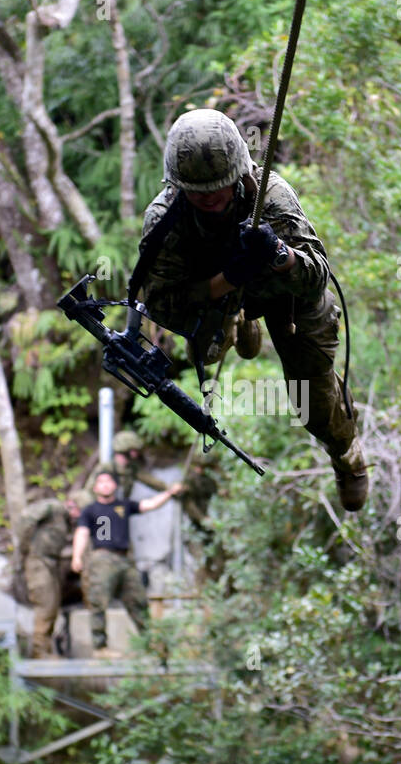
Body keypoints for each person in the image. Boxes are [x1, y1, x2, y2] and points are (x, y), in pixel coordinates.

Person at [136, 108, 369, 511]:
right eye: (197, 191)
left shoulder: (270, 194)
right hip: (220, 294)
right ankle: (238, 319)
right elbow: (162, 304)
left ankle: (348, 457)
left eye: (218, 188)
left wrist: (280, 255)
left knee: (313, 408)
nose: (208, 198)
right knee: (202, 352)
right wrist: (228, 278)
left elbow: (317, 276)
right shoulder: (164, 220)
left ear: (239, 176)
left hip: (288, 295)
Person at [71, 470, 182, 658]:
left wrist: (169, 493)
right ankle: (100, 648)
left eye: (109, 481)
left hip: (125, 559)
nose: (105, 485)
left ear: (115, 485)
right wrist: (77, 556)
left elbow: (150, 504)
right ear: (95, 487)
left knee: (138, 600)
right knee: (98, 602)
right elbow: (81, 533)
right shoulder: (90, 510)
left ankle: (151, 644)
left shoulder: (124, 505)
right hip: (101, 558)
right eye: (101, 482)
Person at [20, 488, 92, 658]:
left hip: (52, 563)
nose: (78, 515)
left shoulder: (68, 521)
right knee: (45, 604)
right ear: (70, 504)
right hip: (38, 561)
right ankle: (38, 651)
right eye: (78, 510)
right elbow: (27, 518)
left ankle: (45, 649)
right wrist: (24, 546)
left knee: (53, 604)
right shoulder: (53, 508)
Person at [84, 429, 169, 500]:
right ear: (124, 449)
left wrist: (169, 488)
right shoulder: (106, 468)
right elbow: (89, 491)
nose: (136, 453)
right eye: (133, 450)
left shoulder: (131, 469)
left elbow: (152, 482)